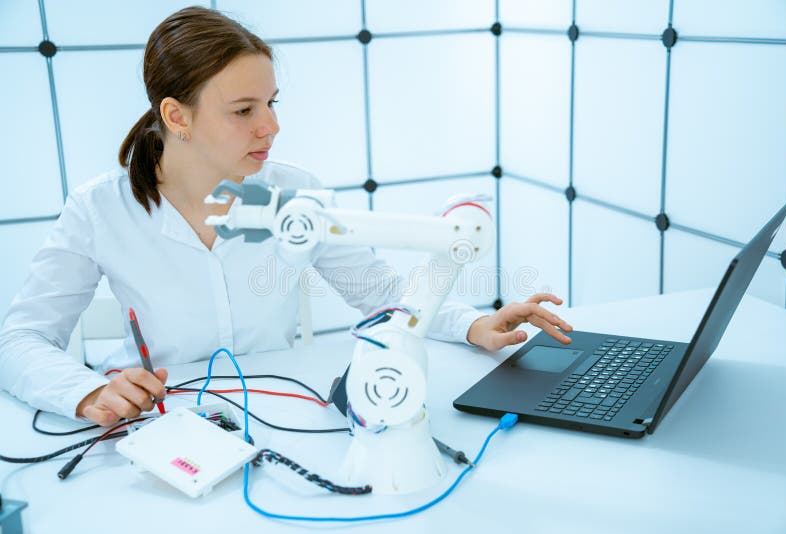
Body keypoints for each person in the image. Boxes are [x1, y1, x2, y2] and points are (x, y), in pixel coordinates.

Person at [0, 6, 572, 428]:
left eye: (271, 103)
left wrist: (473, 322)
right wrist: (85, 392)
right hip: (159, 425)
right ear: (177, 115)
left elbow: (382, 293)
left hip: (277, 418)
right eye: (244, 110)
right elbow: (20, 339)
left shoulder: (295, 193)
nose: (269, 126)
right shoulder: (99, 208)